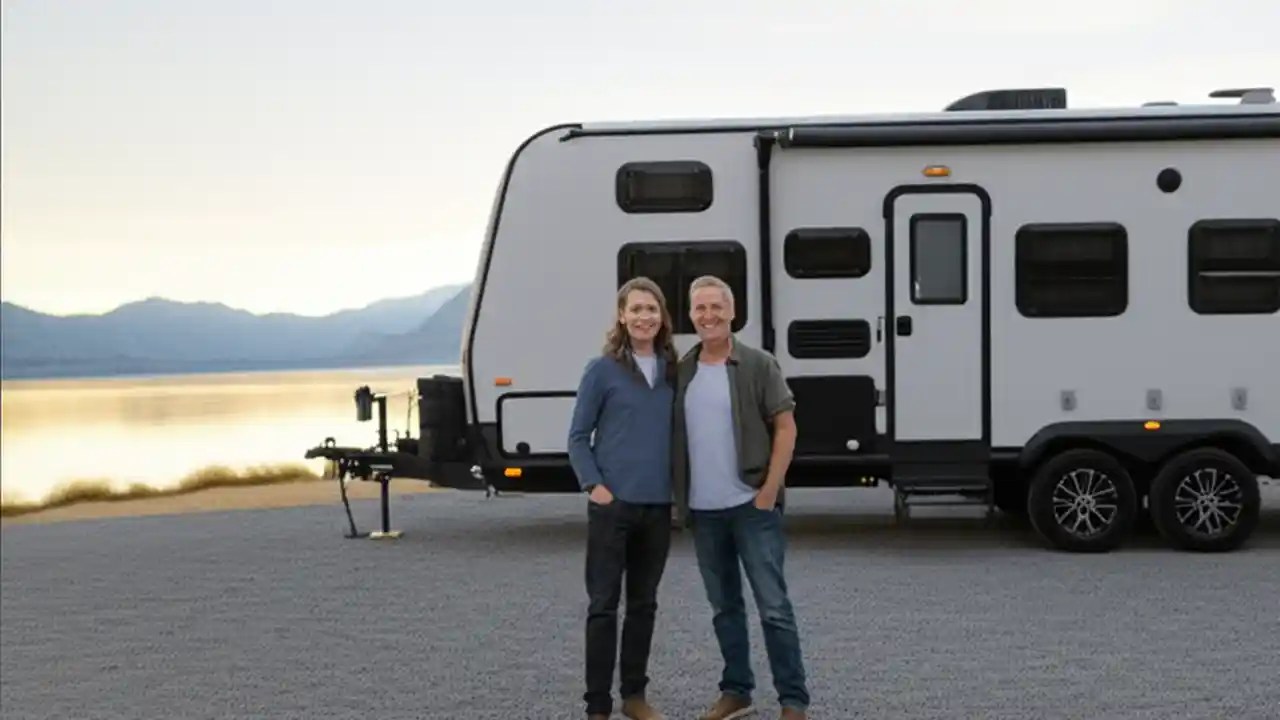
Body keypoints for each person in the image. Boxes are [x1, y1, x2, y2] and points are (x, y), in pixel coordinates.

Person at [672, 275, 811, 720]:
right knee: (724, 608)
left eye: (716, 307)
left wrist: (769, 491)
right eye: (699, 309)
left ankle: (793, 701)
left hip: (752, 506)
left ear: (732, 312)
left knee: (773, 607)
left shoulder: (757, 364)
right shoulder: (684, 370)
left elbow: (786, 427)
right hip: (704, 512)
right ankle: (737, 692)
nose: (708, 315)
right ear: (691, 315)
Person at [567, 276, 678, 720]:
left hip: (657, 507)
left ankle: (634, 697)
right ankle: (598, 705)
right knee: (603, 606)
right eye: (636, 309)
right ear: (621, 315)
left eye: (651, 309)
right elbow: (577, 437)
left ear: (662, 316)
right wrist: (595, 487)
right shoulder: (602, 369)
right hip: (613, 508)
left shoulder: (674, 371)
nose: (644, 317)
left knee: (644, 605)